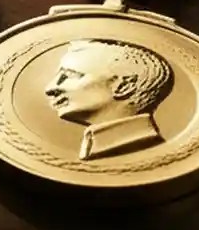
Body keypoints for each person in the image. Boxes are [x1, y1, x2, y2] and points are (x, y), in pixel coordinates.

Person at [44, 39, 175, 159]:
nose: (49, 88)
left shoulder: (141, 152)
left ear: (123, 86)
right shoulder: (95, 144)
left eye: (69, 76)